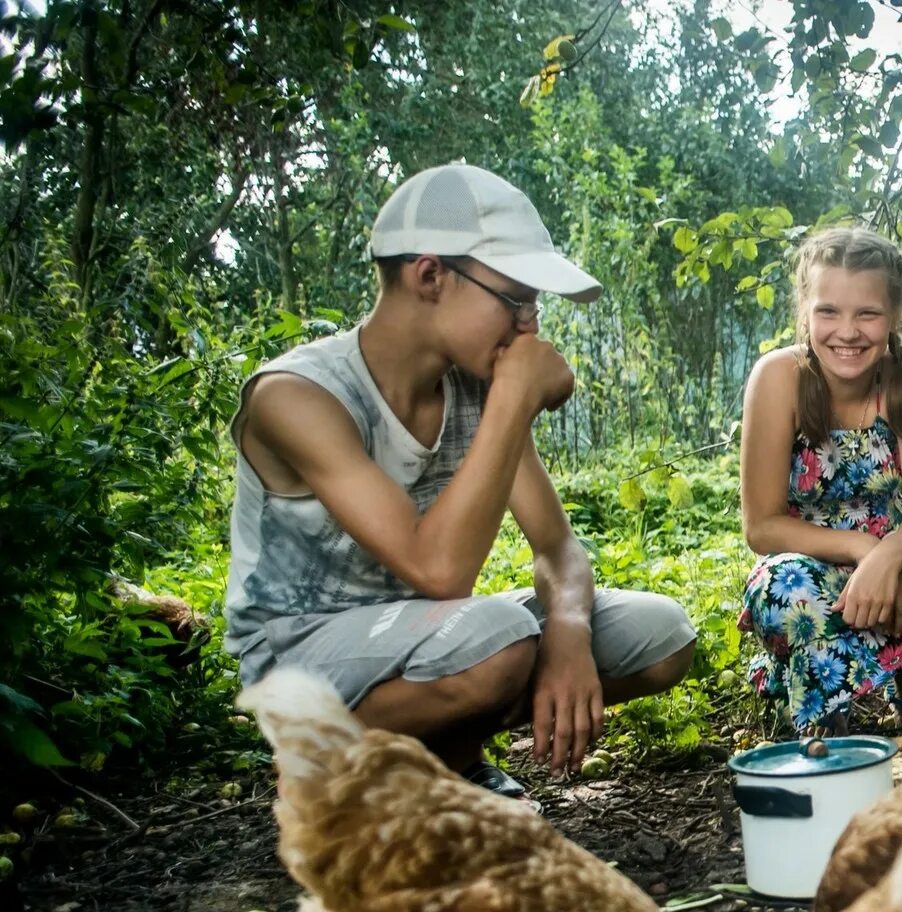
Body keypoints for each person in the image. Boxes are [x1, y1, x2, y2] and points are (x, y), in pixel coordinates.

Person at [225, 164, 696, 799]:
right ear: (430, 276)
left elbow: (557, 550)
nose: (530, 324)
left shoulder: (475, 387)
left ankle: (442, 757)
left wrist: (567, 633)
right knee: (496, 644)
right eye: (517, 299)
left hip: (426, 637)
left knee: (660, 635)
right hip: (302, 652)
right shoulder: (297, 397)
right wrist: (515, 399)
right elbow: (440, 572)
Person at [737, 227, 902, 735]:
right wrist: (861, 551)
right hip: (809, 562)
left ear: (893, 317)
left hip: (893, 557)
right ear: (804, 311)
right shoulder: (777, 377)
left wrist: (890, 557)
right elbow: (761, 527)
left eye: (867, 314)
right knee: (785, 592)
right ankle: (822, 708)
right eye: (828, 311)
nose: (846, 331)